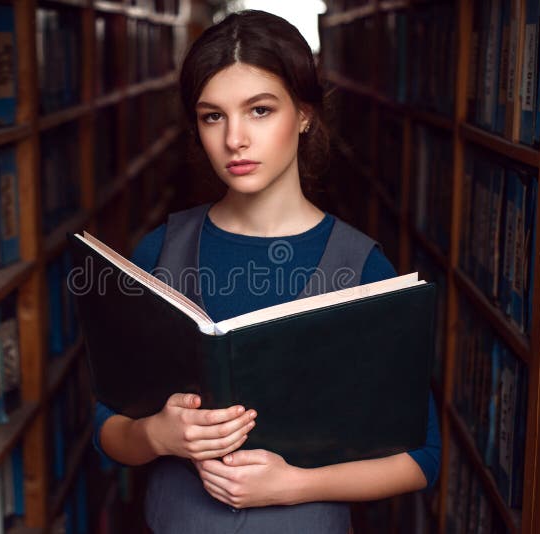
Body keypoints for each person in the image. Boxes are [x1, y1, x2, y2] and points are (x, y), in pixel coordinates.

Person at [91, 10, 441, 533]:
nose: (235, 139)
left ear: (303, 114)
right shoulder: (161, 250)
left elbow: (423, 458)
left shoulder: (363, 267)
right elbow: (105, 425)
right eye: (213, 116)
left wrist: (294, 484)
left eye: (259, 110)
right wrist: (155, 437)